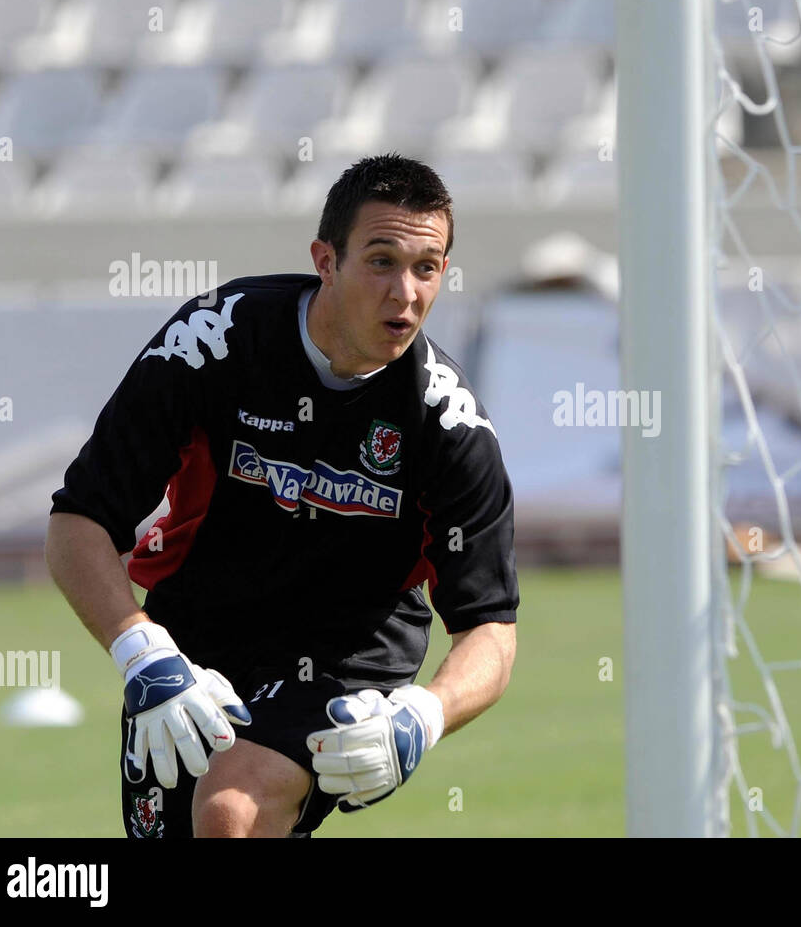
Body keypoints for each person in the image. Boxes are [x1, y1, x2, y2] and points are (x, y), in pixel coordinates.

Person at [45, 153, 519, 838]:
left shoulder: (446, 422)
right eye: (381, 260)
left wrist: (426, 713)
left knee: (229, 811)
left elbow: (492, 628)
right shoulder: (213, 343)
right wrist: (140, 652)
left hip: (345, 659)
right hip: (193, 638)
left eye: (428, 267)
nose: (406, 293)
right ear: (325, 260)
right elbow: (81, 520)